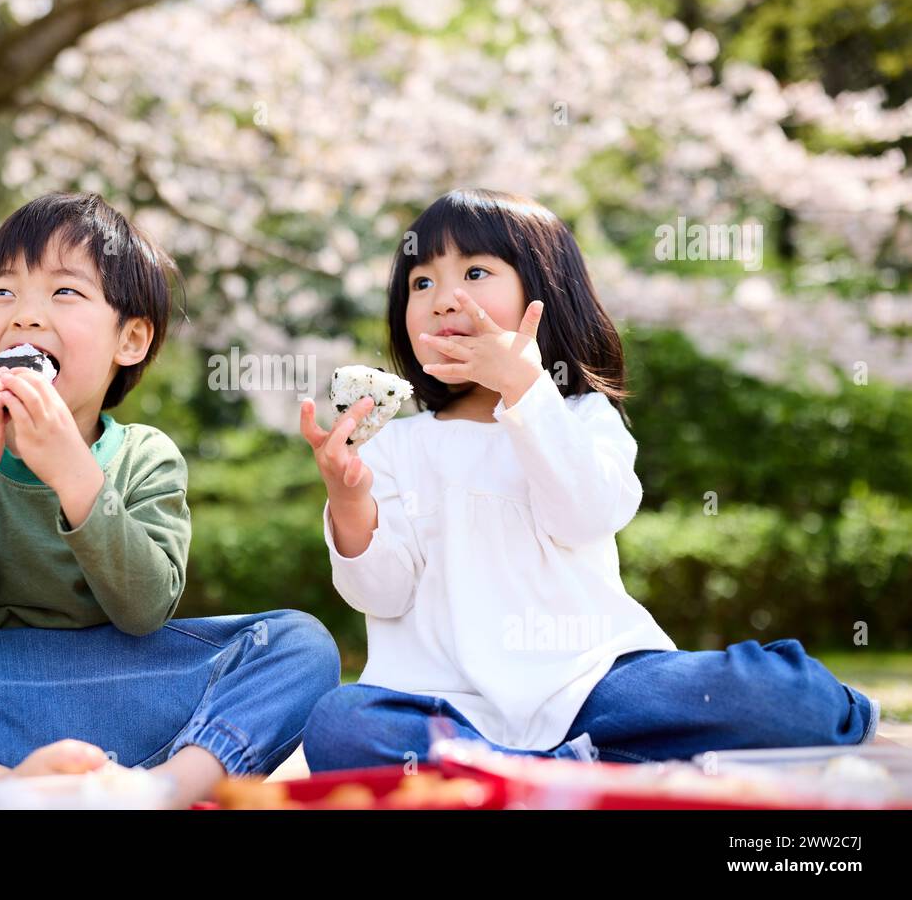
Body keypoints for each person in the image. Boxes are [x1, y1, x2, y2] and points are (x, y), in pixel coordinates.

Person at [0, 192, 340, 808]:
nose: (24, 316)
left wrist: (75, 475)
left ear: (131, 340)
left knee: (299, 645)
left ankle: (170, 791)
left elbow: (145, 609)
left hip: (128, 698)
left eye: (65, 292)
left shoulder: (146, 456)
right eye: (2, 293)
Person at [299, 187, 881, 771]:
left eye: (475, 272)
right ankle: (565, 769)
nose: (444, 299)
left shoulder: (581, 416)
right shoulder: (397, 443)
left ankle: (526, 770)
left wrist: (525, 389)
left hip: (593, 684)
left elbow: (586, 513)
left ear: (545, 295)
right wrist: (350, 501)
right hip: (445, 704)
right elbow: (382, 593)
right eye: (421, 283)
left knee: (785, 697)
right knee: (340, 724)